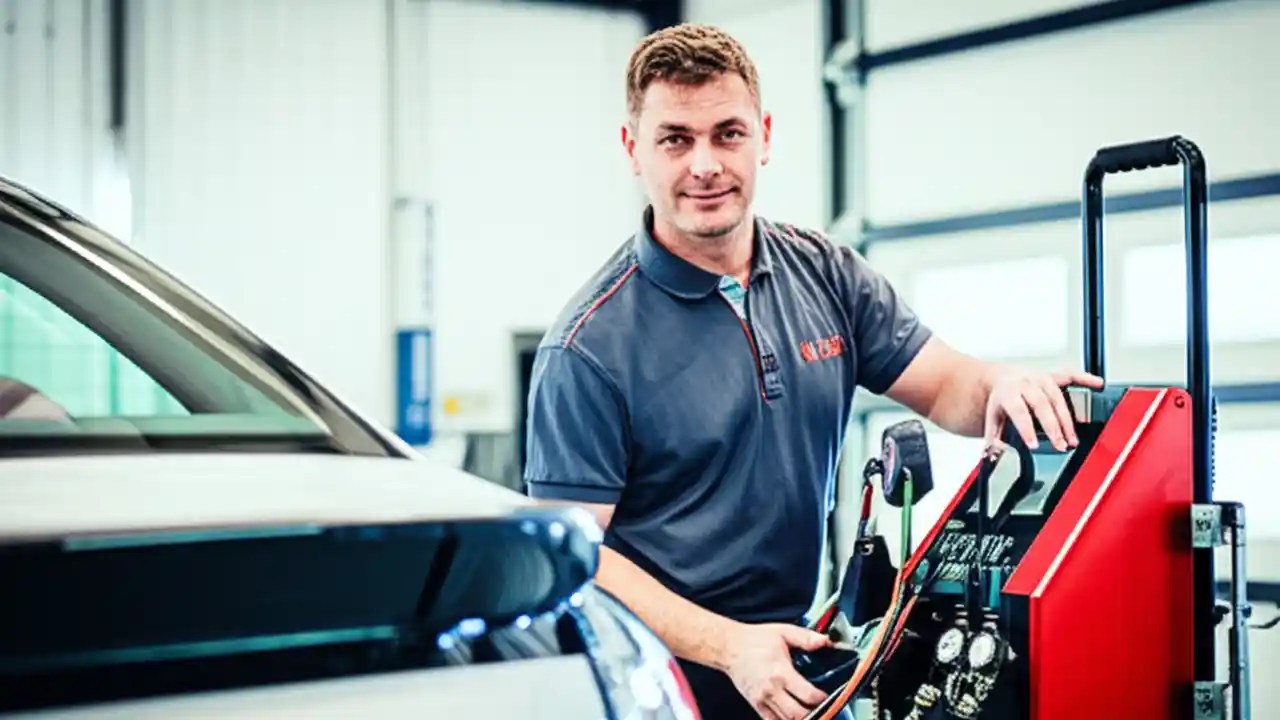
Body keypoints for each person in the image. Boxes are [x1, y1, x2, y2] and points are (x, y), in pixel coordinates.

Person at [522, 22, 1102, 720]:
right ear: (633, 150)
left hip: (795, 661)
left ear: (764, 135)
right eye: (675, 138)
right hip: (652, 685)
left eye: (727, 133)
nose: (705, 164)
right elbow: (576, 557)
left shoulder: (825, 273)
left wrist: (1002, 384)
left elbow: (948, 385)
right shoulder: (587, 347)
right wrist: (730, 646)